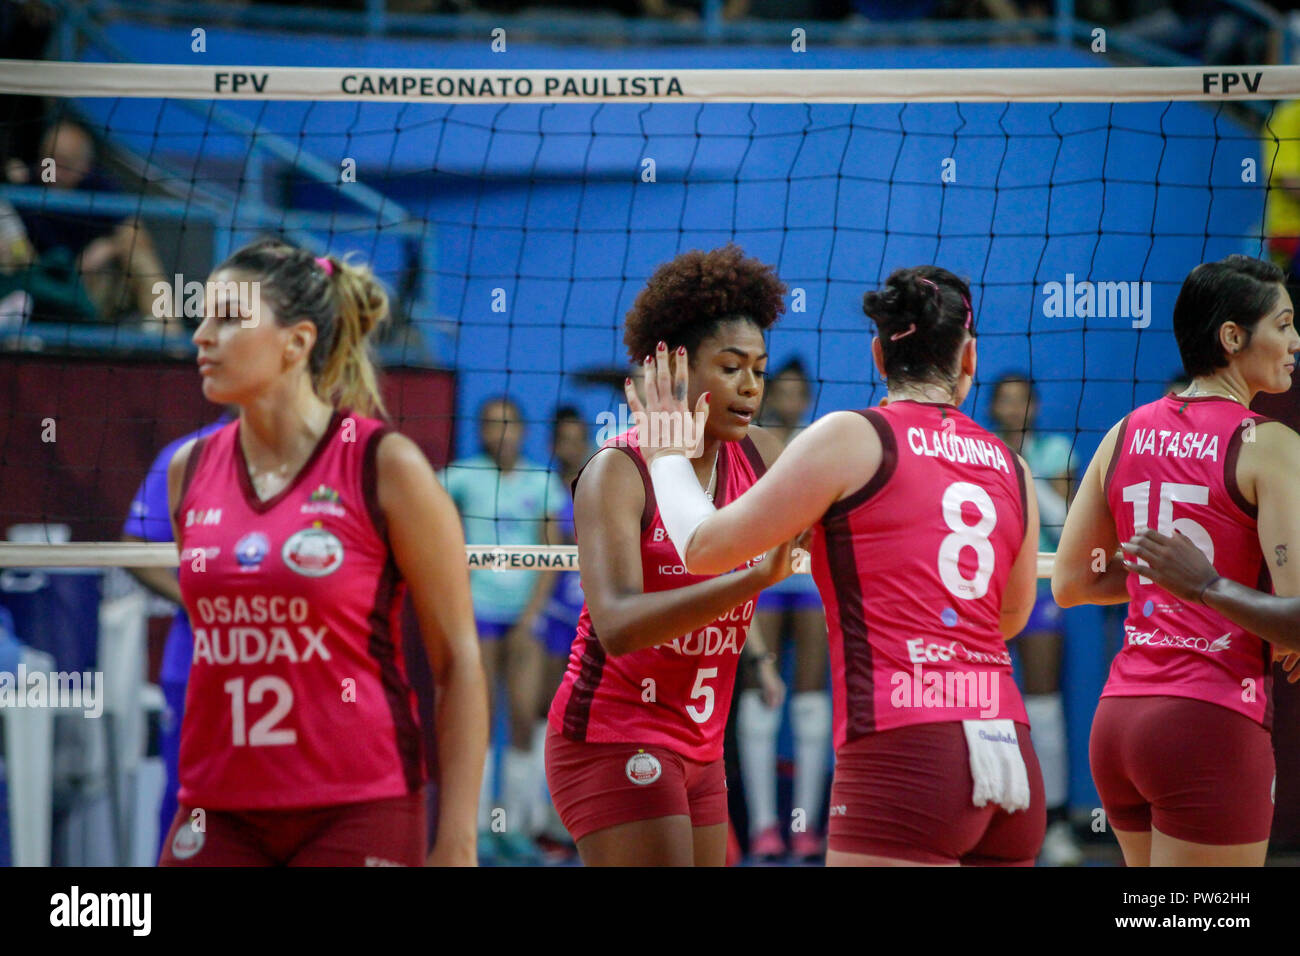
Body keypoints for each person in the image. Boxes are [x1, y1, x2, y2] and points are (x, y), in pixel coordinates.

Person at [632, 265, 1045, 866]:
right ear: (969, 357)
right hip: (1009, 745)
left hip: (905, 754)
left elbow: (702, 547)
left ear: (879, 355)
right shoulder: (1013, 466)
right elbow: (1010, 617)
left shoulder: (852, 438)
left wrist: (667, 450)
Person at [160, 238, 487, 866]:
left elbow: (458, 663)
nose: (200, 335)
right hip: (217, 805)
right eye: (201, 315)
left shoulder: (384, 464)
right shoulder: (188, 469)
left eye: (227, 317)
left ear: (297, 341)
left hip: (359, 804)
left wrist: (458, 840)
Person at [545, 243, 795, 866]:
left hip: (702, 743)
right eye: (731, 367)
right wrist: (755, 578)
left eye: (759, 370)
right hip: (614, 732)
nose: (750, 387)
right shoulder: (617, 470)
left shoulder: (764, 455)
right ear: (677, 369)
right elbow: (621, 625)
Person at [1052, 254, 1300, 867]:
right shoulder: (1267, 442)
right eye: (1285, 324)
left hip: (1119, 724)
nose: (1296, 341)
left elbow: (1072, 582)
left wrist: (1163, 580)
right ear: (1233, 337)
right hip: (1208, 723)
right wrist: (1210, 587)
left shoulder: (1125, 431)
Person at [440, 396, 567, 863]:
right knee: (478, 718)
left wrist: (531, 616)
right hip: (477, 609)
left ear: (523, 430)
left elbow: (555, 555)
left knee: (521, 717)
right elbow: (428, 515)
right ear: (479, 430)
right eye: (491, 424)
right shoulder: (460, 475)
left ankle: (515, 827)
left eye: (509, 423)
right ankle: (474, 830)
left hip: (523, 613)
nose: (501, 432)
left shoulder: (542, 480)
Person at [121, 408, 234, 861]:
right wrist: (197, 600)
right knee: (187, 807)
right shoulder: (190, 454)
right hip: (196, 663)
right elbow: (135, 550)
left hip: (294, 670)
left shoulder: (329, 452)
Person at [988, 372, 1081, 866]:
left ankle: (1058, 825)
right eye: (1005, 400)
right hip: (987, 589)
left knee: (1043, 708)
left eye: (1023, 400)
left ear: (1035, 407)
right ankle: (997, 824)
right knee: (987, 705)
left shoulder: (1057, 450)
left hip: (1043, 586)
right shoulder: (977, 451)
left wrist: (1021, 468)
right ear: (994, 406)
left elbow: (1067, 524)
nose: (1014, 408)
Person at [740, 357, 826, 862]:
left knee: (811, 700)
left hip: (810, 577)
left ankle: (806, 826)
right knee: (761, 692)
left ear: (807, 397)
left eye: (799, 391)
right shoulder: (748, 442)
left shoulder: (819, 442)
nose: (790, 400)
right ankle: (764, 827)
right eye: (783, 391)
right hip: (764, 576)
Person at [8, 119, 168, 324]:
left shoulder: (100, 187)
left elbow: (138, 236)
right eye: (47, 160)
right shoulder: (23, 187)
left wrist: (108, 247)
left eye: (63, 163)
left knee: (136, 254)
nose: (52, 171)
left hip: (93, 288)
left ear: (84, 166)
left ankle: (169, 333)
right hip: (41, 289)